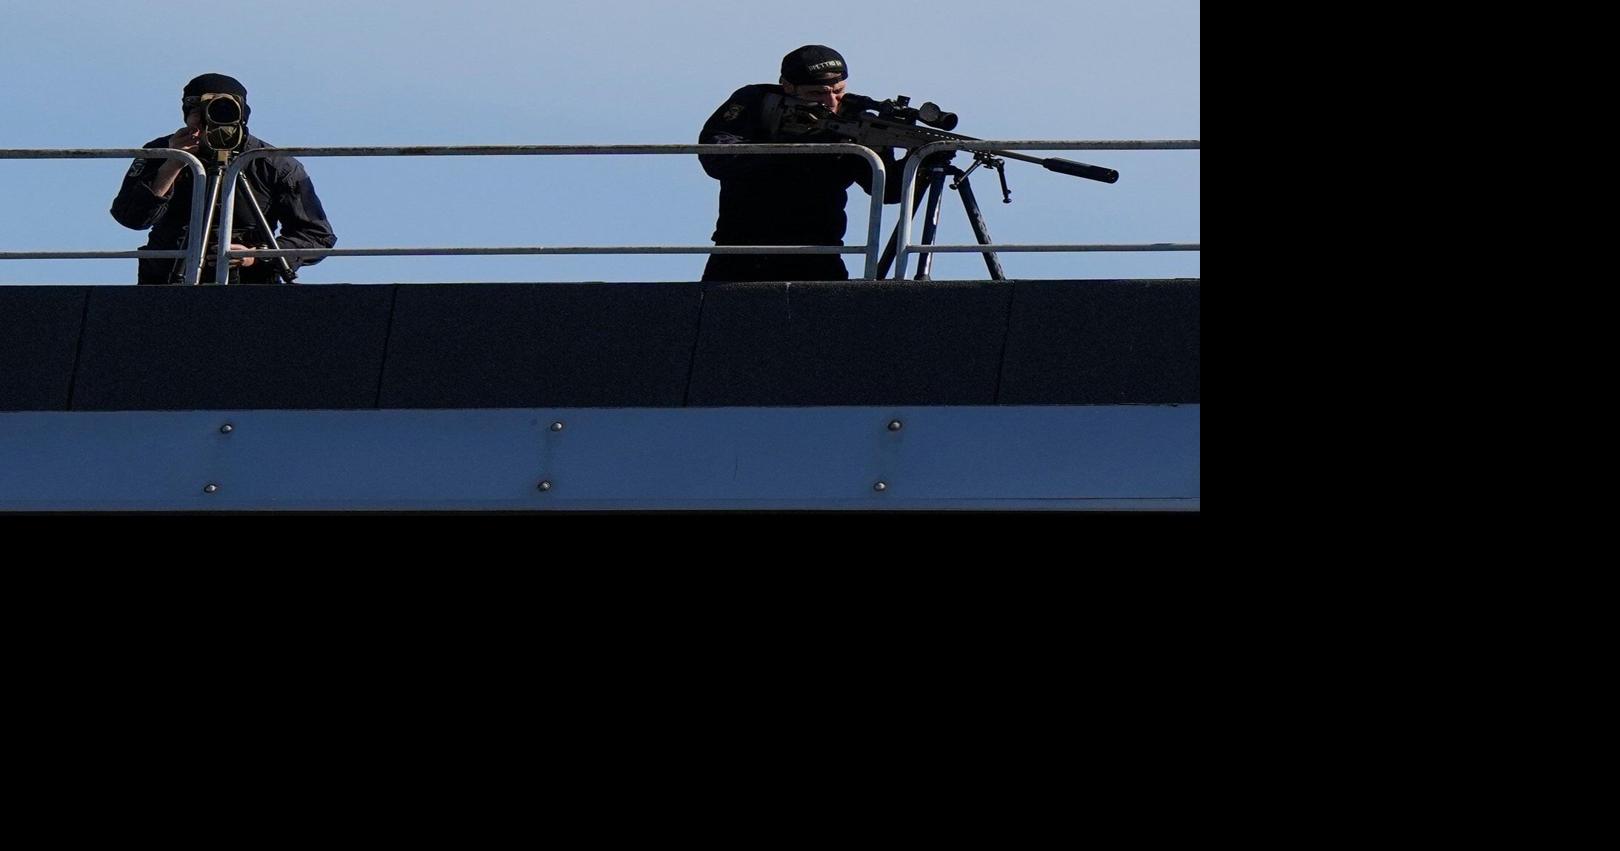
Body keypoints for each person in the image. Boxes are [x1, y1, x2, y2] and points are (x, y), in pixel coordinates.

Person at [698, 45, 915, 282]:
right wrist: (797, 145)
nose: (831, 101)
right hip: (742, 250)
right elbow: (716, 157)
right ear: (787, 86)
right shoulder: (757, 102)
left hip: (818, 251)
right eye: (817, 93)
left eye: (839, 91)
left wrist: (917, 160)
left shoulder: (856, 123)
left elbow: (888, 190)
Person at [111, 73, 336, 284]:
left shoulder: (272, 163)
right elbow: (132, 218)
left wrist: (258, 255)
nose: (212, 120)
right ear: (187, 114)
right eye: (201, 112)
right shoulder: (161, 151)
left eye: (224, 111)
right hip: (168, 281)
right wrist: (173, 163)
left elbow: (317, 236)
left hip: (249, 287)